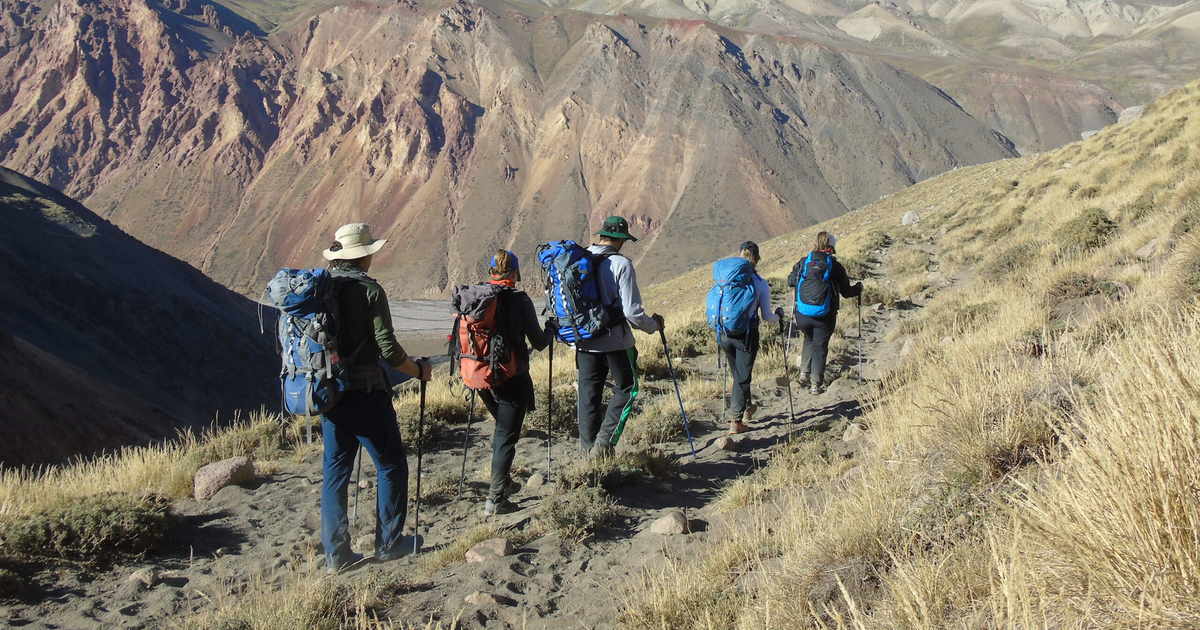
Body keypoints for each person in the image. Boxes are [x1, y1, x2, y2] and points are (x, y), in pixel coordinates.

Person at [320, 222, 433, 574]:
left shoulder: (323, 290)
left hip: (329, 395)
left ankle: (336, 555)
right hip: (366, 393)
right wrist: (418, 371)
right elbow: (387, 348)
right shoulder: (370, 292)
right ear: (363, 256)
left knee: (336, 471)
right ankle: (389, 544)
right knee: (390, 464)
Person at [576, 216, 663, 459]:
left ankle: (587, 454)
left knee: (588, 397)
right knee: (627, 388)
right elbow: (633, 313)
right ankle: (604, 444)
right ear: (620, 240)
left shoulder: (579, 259)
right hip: (616, 342)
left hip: (584, 341)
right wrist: (653, 326)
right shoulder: (621, 264)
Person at [473, 250, 551, 516]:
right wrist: (551, 329)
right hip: (511, 376)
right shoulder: (520, 300)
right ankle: (495, 499)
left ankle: (503, 482)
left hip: (481, 378)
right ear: (515, 273)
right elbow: (539, 343)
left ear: (492, 272)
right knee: (507, 436)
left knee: (502, 431)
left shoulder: (478, 297)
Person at [786, 231, 863, 395]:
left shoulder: (803, 262)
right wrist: (858, 289)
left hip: (803, 314)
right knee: (820, 347)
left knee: (808, 338)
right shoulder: (834, 266)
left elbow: (790, 281)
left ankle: (803, 373)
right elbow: (846, 291)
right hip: (824, 315)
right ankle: (815, 385)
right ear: (832, 247)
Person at [722, 241, 783, 434]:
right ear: (756, 259)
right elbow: (767, 316)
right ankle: (736, 421)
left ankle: (747, 407)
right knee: (742, 377)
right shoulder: (760, 283)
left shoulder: (726, 278)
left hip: (724, 334)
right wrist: (779, 316)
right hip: (746, 335)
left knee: (739, 374)